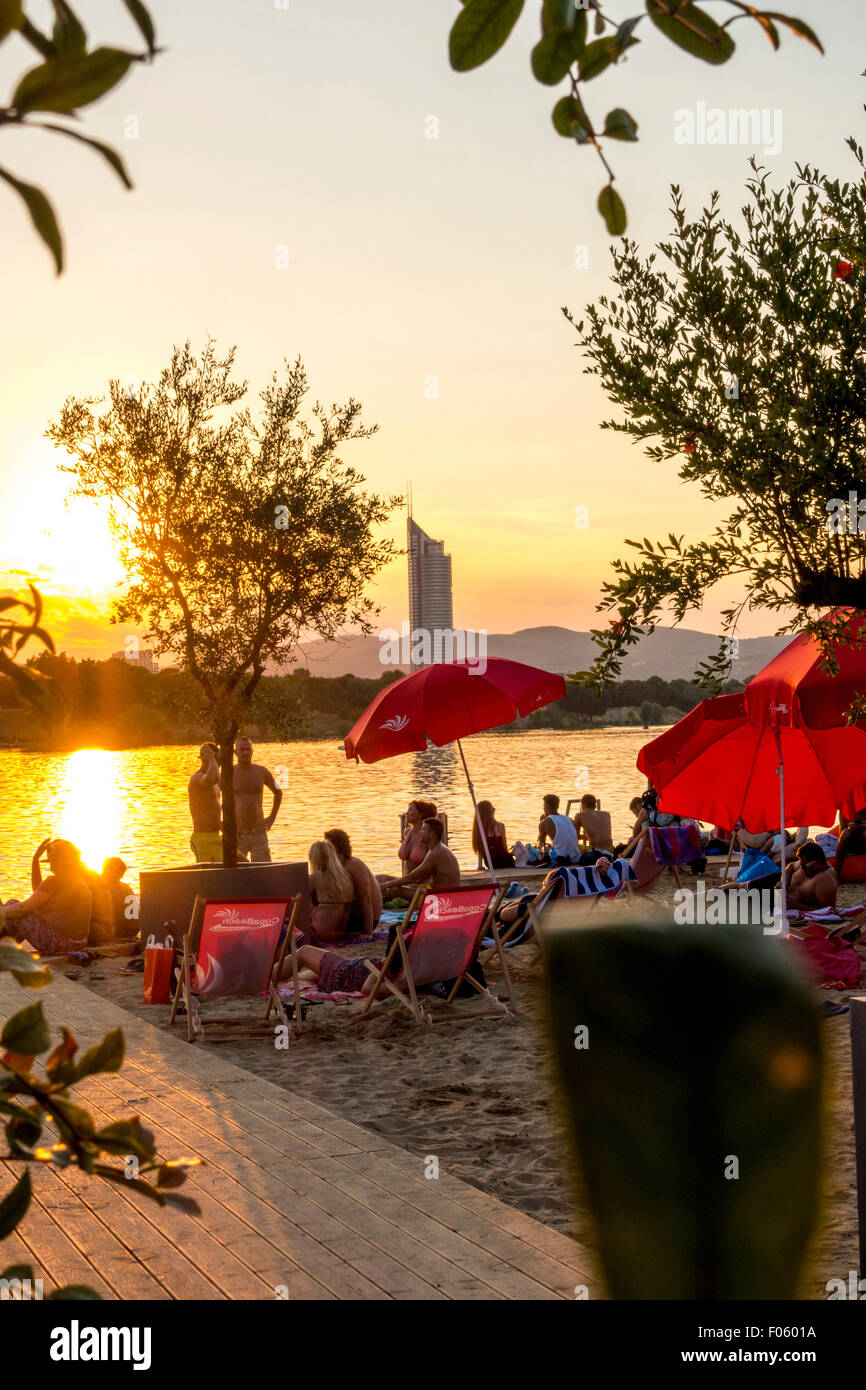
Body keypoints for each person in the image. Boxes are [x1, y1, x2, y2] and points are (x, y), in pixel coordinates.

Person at [0, 838, 91, 955]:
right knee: (13, 906)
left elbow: (24, 909)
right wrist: (36, 859)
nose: (50, 864)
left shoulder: (56, 880)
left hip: (60, 943)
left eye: (52, 859)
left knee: (16, 910)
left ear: (60, 861)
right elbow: (38, 891)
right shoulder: (75, 879)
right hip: (77, 943)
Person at [324, 828, 383, 936]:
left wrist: (367, 932)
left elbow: (366, 899)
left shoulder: (354, 865)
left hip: (363, 920)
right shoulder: (336, 865)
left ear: (337, 847)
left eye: (327, 845)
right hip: (351, 915)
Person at [381, 818, 460, 896]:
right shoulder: (433, 849)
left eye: (423, 830)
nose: (419, 832)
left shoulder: (437, 852)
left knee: (395, 890)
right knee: (381, 878)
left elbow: (413, 877)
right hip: (430, 889)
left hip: (440, 896)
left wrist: (386, 885)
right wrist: (387, 883)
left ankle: (375, 905)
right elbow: (417, 879)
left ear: (432, 834)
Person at [233, 737, 283, 862]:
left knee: (263, 871)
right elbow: (215, 795)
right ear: (236, 752)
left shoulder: (262, 771)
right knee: (237, 873)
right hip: (237, 833)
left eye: (248, 749)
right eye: (242, 749)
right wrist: (220, 822)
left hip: (258, 832)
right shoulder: (228, 773)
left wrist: (272, 817)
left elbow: (278, 792)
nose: (245, 752)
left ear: (252, 751)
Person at [307, 840, 354, 943]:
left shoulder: (315, 877)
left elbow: (305, 903)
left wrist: (315, 910)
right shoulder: (344, 877)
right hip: (340, 932)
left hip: (321, 931)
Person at [188, 742, 222, 862]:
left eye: (219, 758)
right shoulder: (197, 778)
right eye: (216, 759)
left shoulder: (217, 778)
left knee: (244, 863)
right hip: (203, 838)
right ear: (205, 759)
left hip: (217, 837)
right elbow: (212, 777)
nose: (219, 762)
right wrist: (211, 757)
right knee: (212, 873)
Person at [786, 842, 839, 911]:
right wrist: (784, 881)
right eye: (801, 865)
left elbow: (827, 911)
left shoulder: (826, 880)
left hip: (792, 908)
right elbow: (791, 866)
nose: (801, 868)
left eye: (803, 866)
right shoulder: (806, 864)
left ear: (817, 862)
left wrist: (796, 906)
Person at [101, 857, 138, 941]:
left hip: (108, 934)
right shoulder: (127, 889)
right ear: (121, 874)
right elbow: (134, 923)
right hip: (128, 933)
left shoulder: (94, 887)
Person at [537, 794, 580, 865]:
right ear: (557, 806)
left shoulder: (544, 823)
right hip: (576, 858)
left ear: (546, 806)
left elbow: (541, 846)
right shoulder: (569, 819)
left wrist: (541, 823)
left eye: (544, 805)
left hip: (560, 859)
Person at [471, 801, 514, 869]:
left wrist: (479, 866)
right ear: (492, 812)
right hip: (506, 861)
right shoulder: (500, 826)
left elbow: (480, 849)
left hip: (491, 863)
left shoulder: (480, 829)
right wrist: (512, 853)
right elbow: (504, 846)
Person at [572, 794, 614, 864]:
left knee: (576, 847)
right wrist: (590, 837)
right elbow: (600, 835)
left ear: (583, 805)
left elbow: (575, 837)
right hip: (610, 850)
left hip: (595, 852)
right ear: (595, 805)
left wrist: (586, 837)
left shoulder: (579, 815)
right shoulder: (607, 814)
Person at [397, 799, 437, 868]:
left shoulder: (428, 837)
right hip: (407, 878)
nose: (406, 813)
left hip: (423, 878)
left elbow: (434, 865)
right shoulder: (407, 832)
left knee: (380, 878)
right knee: (380, 878)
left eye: (410, 810)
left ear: (420, 814)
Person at [835, 806, 866, 879]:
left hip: (864, 844)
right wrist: (850, 827)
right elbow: (841, 832)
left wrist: (864, 826)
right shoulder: (844, 810)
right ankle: (836, 873)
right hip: (850, 845)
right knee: (846, 833)